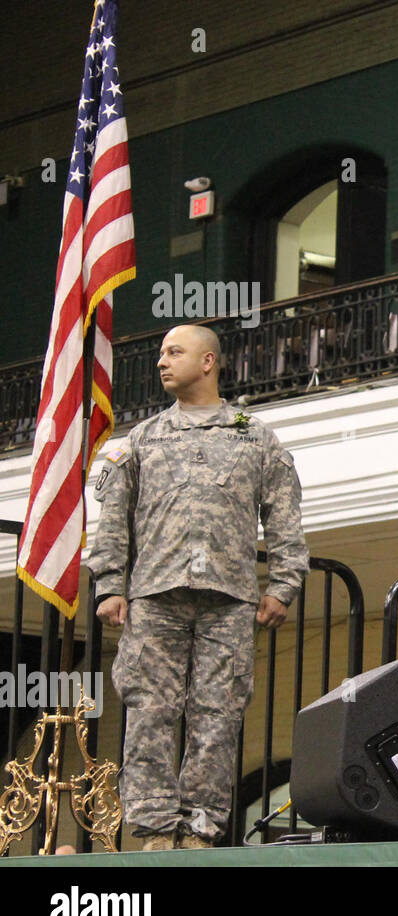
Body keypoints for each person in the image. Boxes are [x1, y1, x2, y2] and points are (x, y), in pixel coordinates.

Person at [88, 324, 309, 850]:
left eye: (174, 352)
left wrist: (283, 583)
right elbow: (113, 516)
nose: (162, 362)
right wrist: (108, 585)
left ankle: (201, 832)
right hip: (156, 595)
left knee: (219, 715)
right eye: (162, 352)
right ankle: (153, 830)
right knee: (150, 712)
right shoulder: (142, 440)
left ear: (208, 362)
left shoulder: (255, 437)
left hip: (229, 602)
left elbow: (285, 518)